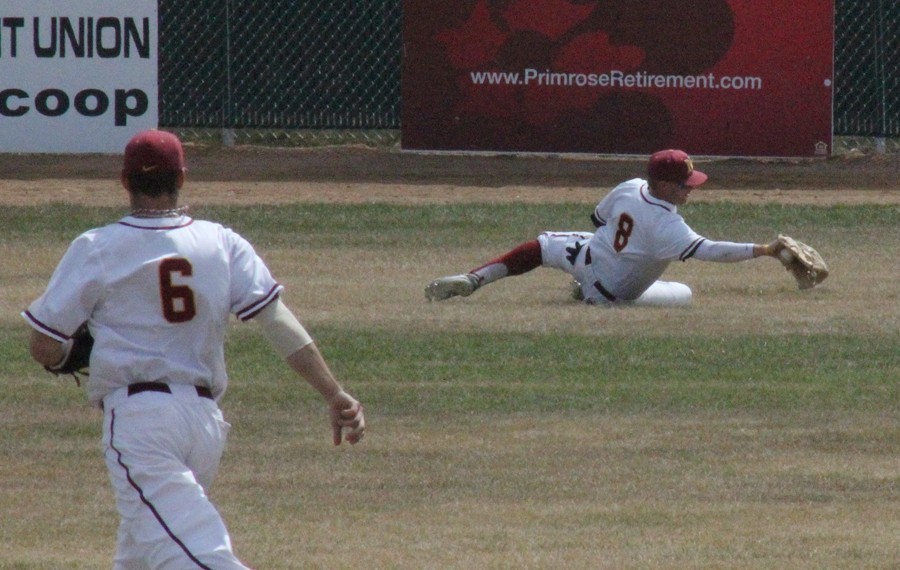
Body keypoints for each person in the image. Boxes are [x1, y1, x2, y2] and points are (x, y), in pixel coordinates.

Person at [22, 129, 365, 569]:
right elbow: (277, 321)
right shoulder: (221, 242)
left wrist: (76, 353)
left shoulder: (98, 247)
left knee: (200, 559)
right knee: (143, 555)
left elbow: (43, 344)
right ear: (181, 177)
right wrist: (333, 393)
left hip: (141, 425)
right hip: (203, 427)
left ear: (124, 181)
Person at [425, 149, 788, 307]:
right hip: (608, 294)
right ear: (662, 185)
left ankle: (475, 278)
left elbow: (598, 221)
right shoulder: (667, 225)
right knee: (684, 294)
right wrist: (765, 250)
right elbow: (711, 250)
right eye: (683, 184)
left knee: (539, 246)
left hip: (587, 255)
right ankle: (582, 293)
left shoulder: (630, 186)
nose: (690, 187)